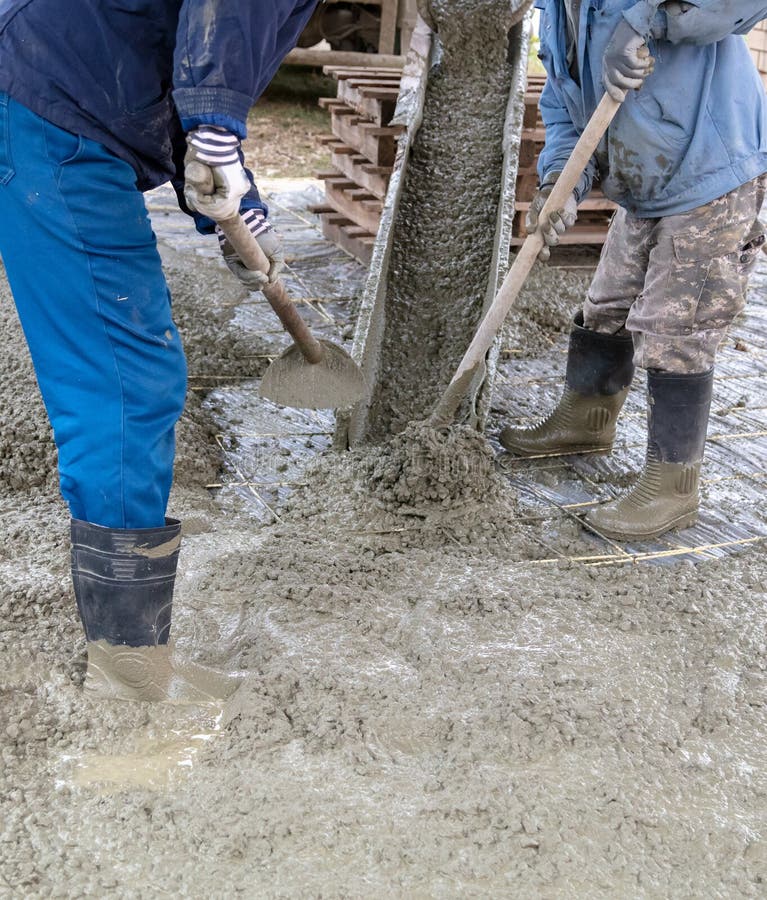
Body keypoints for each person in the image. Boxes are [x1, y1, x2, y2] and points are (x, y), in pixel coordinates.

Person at [0, 0, 319, 702]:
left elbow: (181, 42)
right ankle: (130, 672)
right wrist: (214, 128)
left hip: (64, 84)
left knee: (127, 378)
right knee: (124, 381)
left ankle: (130, 660)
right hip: (51, 100)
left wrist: (241, 201)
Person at [500, 0, 767, 540]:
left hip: (711, 168)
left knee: (676, 328)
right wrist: (560, 180)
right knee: (607, 304)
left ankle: (672, 487)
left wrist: (650, 18)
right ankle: (587, 419)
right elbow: (561, 102)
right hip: (644, 183)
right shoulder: (557, 10)